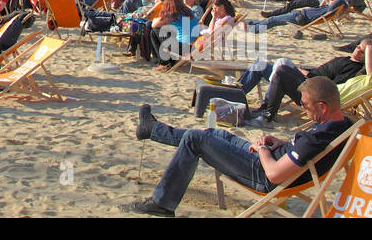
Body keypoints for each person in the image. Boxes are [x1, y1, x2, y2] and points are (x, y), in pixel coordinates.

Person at [125, 76, 353, 217]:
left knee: (196, 138)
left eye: (305, 105)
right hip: (270, 159)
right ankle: (152, 129)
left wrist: (263, 149)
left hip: (261, 173)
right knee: (215, 132)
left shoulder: (318, 138)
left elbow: (273, 175)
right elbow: (304, 150)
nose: (303, 109)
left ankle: (162, 204)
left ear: (322, 107)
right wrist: (284, 143)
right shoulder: (343, 124)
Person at [248, 40, 372, 123]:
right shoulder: (365, 79)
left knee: (280, 71)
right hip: (319, 92)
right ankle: (257, 103)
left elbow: (369, 48)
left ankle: (267, 115)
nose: (359, 50)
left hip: (319, 100)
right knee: (275, 66)